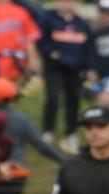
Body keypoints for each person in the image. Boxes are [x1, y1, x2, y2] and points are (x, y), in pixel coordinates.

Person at [37, 0, 91, 153]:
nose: (66, 4)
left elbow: (88, 47)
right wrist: (53, 54)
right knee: (53, 97)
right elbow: (42, 41)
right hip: (54, 68)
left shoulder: (81, 23)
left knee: (73, 100)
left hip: (75, 69)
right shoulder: (48, 19)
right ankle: (48, 131)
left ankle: (70, 133)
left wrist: (87, 67)